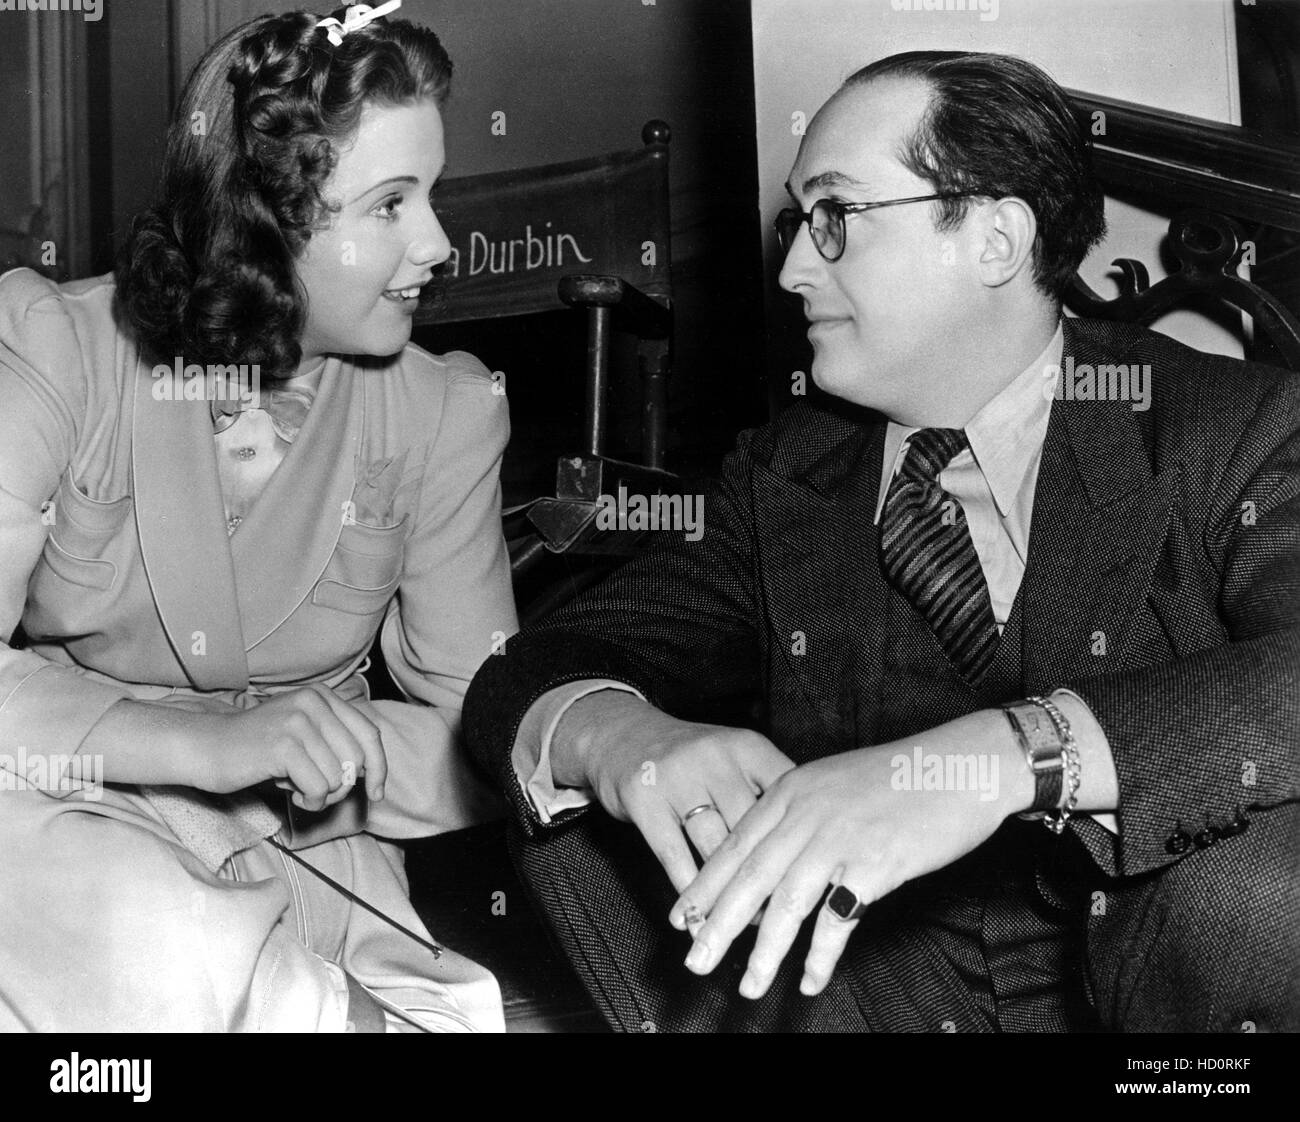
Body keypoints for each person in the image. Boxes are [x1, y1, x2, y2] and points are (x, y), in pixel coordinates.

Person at [465, 50, 1300, 1032]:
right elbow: (538, 667)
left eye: (833, 218)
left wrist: (1012, 755)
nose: (789, 269)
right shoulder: (785, 476)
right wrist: (624, 740)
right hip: (862, 995)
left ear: (993, 237)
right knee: (588, 800)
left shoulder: (1225, 429)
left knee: (1251, 868)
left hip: (1163, 1014)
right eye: (795, 223)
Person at [0, 3, 516, 1032]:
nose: (439, 241)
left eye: (433, 194)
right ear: (262, 216)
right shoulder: (57, 353)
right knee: (127, 923)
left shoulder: (445, 413)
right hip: (64, 810)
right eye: (390, 204)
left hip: (312, 850)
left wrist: (300, 755)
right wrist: (197, 748)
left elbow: (488, 731)